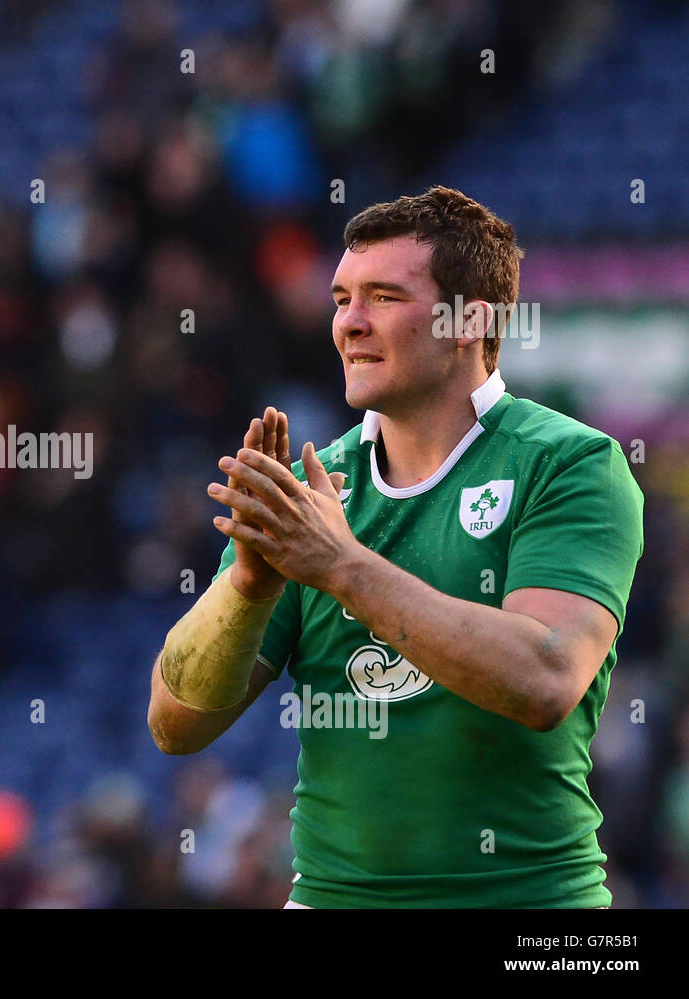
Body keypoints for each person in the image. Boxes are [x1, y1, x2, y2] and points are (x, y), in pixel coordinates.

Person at [147, 186, 643, 908]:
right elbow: (174, 722)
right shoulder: (310, 494)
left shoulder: (569, 464)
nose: (348, 322)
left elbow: (544, 679)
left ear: (470, 317)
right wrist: (248, 586)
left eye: (382, 296)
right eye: (341, 298)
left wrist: (342, 567)